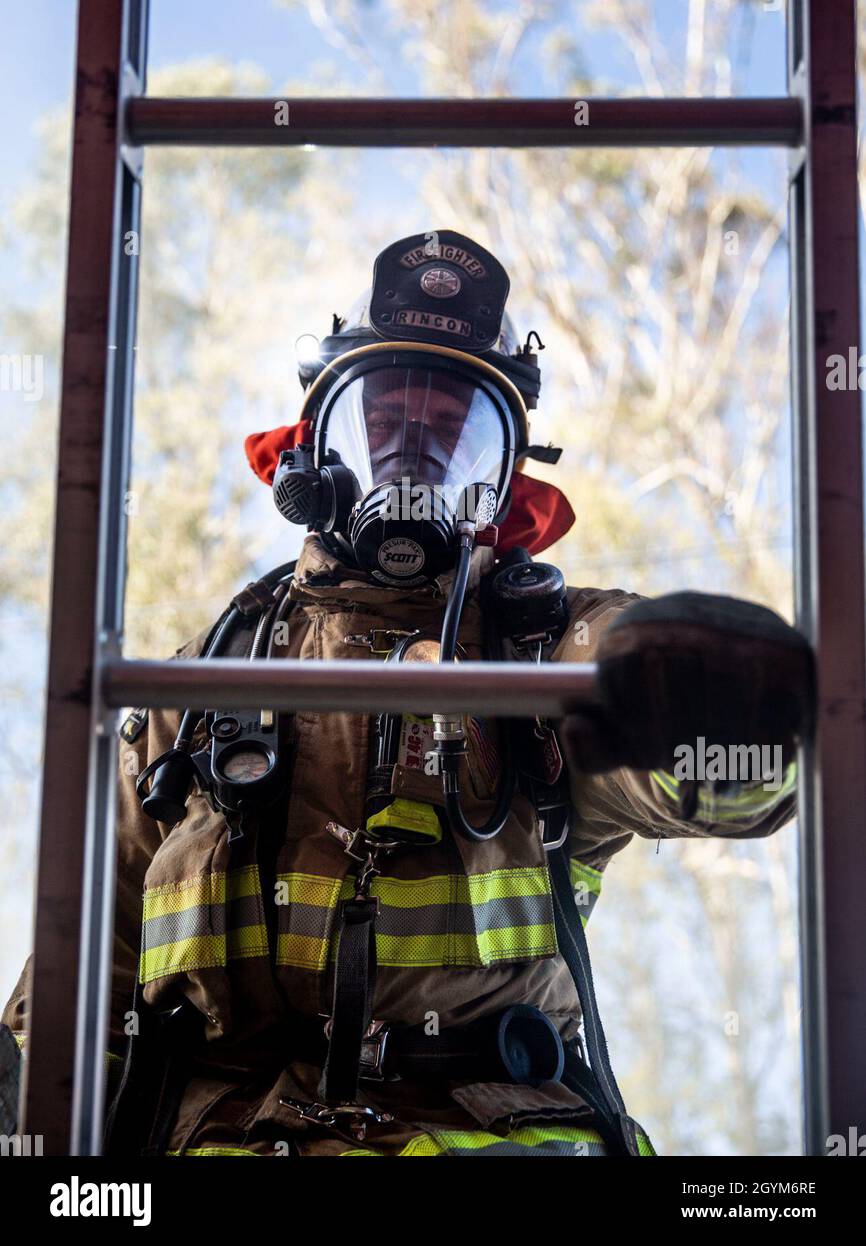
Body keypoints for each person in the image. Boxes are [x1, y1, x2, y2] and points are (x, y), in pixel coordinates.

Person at [1, 230, 814, 1158]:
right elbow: (80, 978)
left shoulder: (548, 653)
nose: (411, 458)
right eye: (381, 421)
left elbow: (714, 771)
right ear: (314, 454)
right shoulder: (199, 687)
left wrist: (703, 689)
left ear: (506, 478)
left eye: (452, 430)